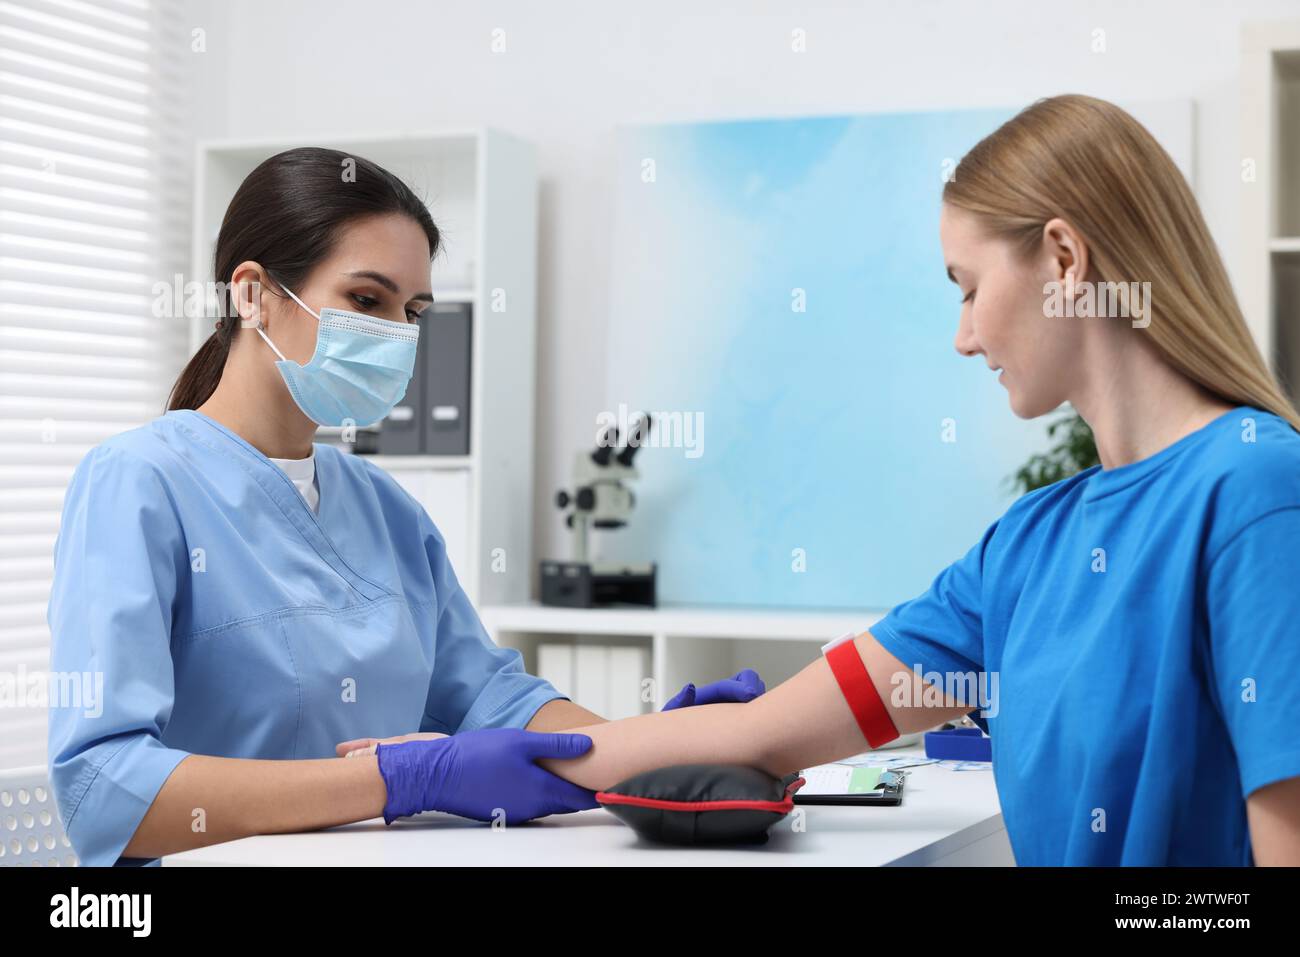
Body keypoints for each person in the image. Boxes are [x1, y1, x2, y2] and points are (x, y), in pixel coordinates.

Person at [378, 95, 1300, 866]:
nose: (964, 334)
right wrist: (471, 760)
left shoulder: (1256, 490)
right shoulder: (1026, 546)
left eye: (968, 285)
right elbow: (761, 735)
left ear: (1065, 259)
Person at [46, 147, 763, 867]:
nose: (397, 333)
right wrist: (388, 781)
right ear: (253, 293)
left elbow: (494, 701)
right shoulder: (137, 484)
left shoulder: (385, 508)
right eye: (367, 300)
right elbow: (101, 791)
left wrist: (653, 749)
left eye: (412, 310)